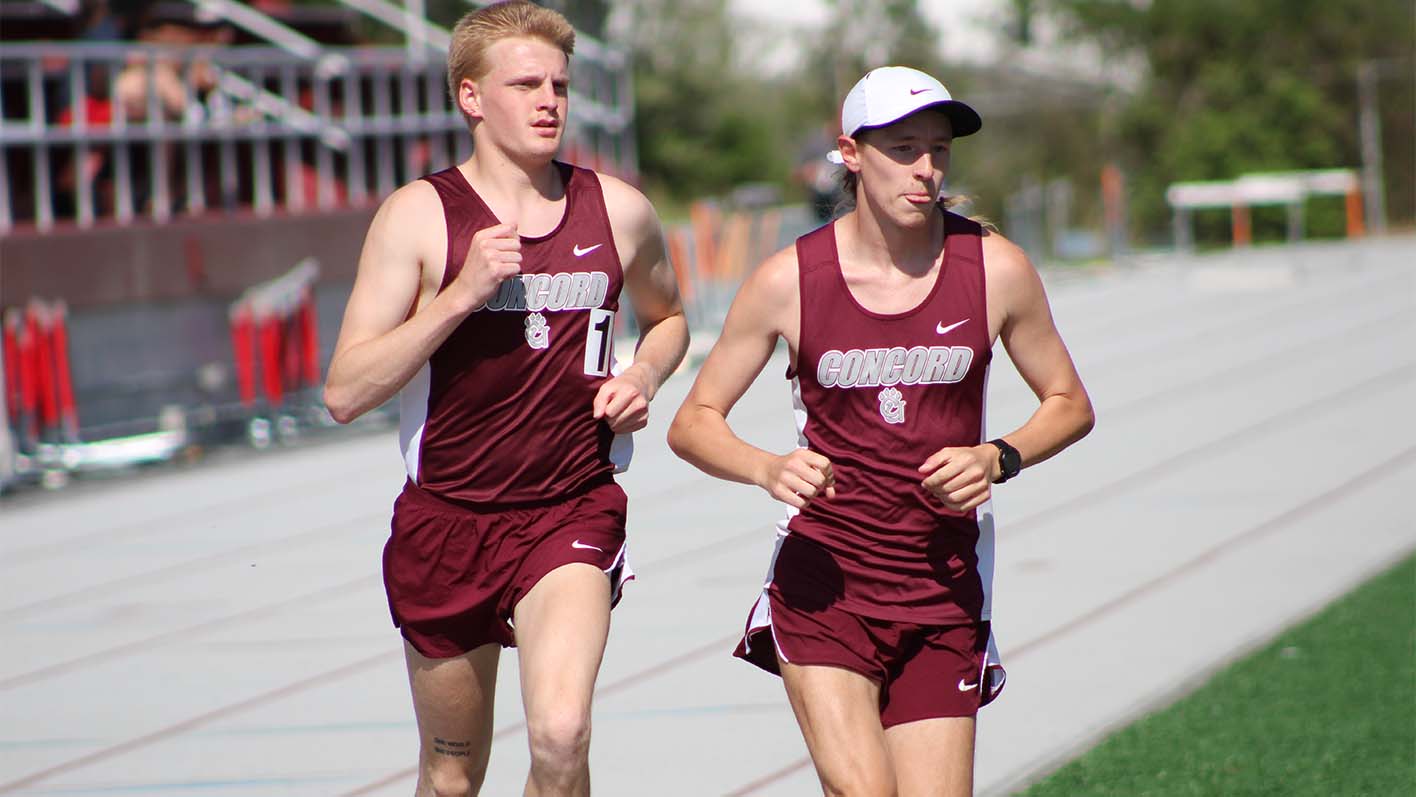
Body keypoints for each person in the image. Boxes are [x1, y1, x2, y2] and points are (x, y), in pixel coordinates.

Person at [668, 66, 1094, 796]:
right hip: (825, 584)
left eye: (939, 149)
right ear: (851, 154)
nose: (926, 168)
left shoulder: (995, 268)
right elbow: (693, 422)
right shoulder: (788, 280)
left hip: (943, 585)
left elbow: (1069, 402)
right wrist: (768, 468)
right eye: (903, 149)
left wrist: (999, 456)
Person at [323, 3, 688, 795]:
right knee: (452, 776)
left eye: (560, 85)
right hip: (447, 523)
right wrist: (459, 295)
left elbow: (669, 319)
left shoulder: (618, 210)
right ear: (471, 97)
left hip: (570, 508)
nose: (549, 101)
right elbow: (345, 391)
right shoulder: (419, 216)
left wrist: (643, 375)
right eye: (525, 85)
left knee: (561, 736)